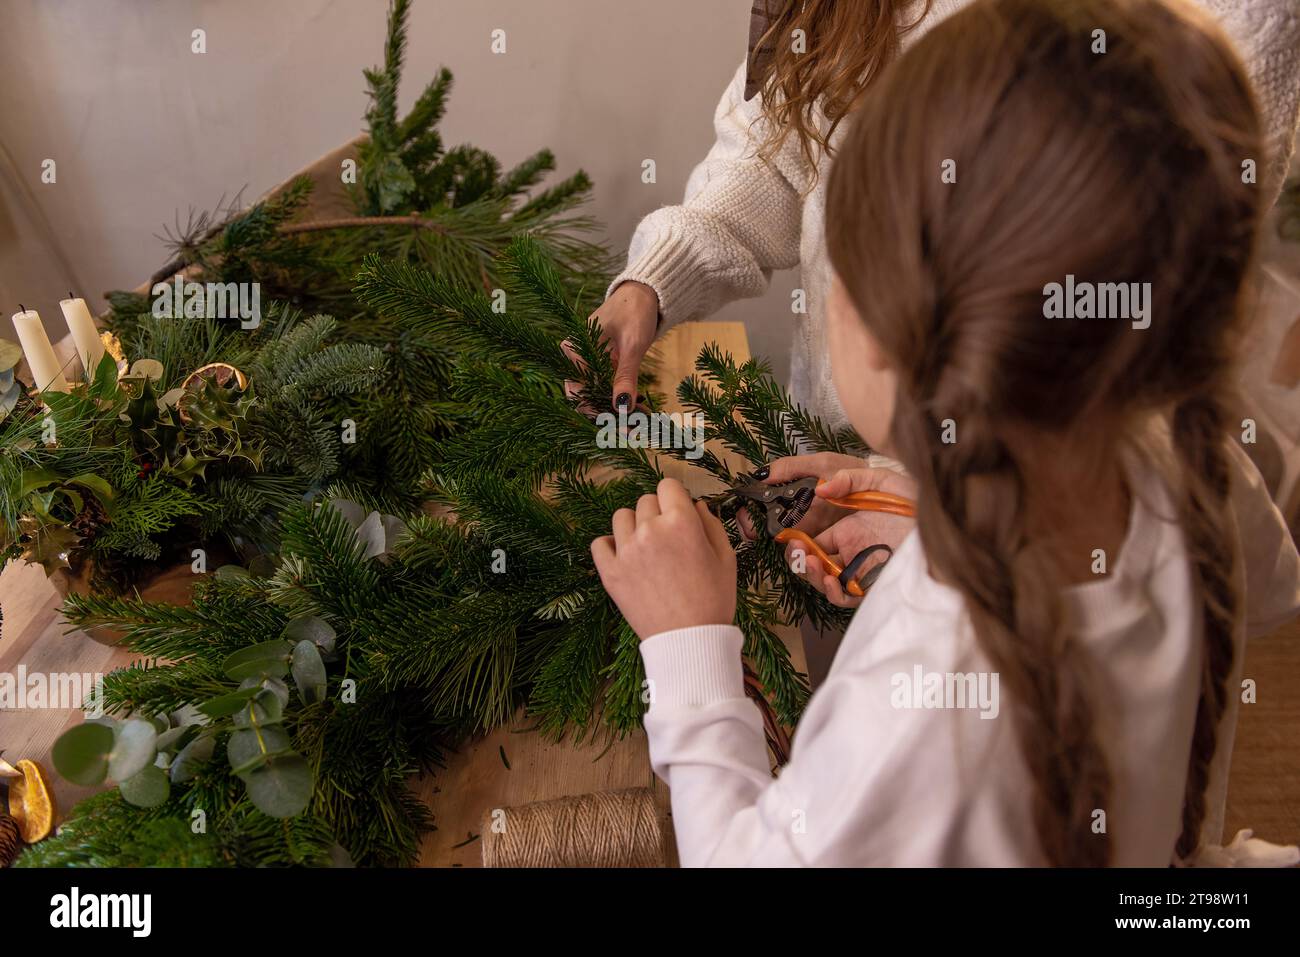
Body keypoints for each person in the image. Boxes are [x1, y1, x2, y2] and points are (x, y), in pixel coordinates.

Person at [590, 0, 1300, 866]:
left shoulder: (924, 690)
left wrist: (690, 642)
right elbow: (1266, 588)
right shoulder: (1192, 464)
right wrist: (934, 503)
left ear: (904, 336)